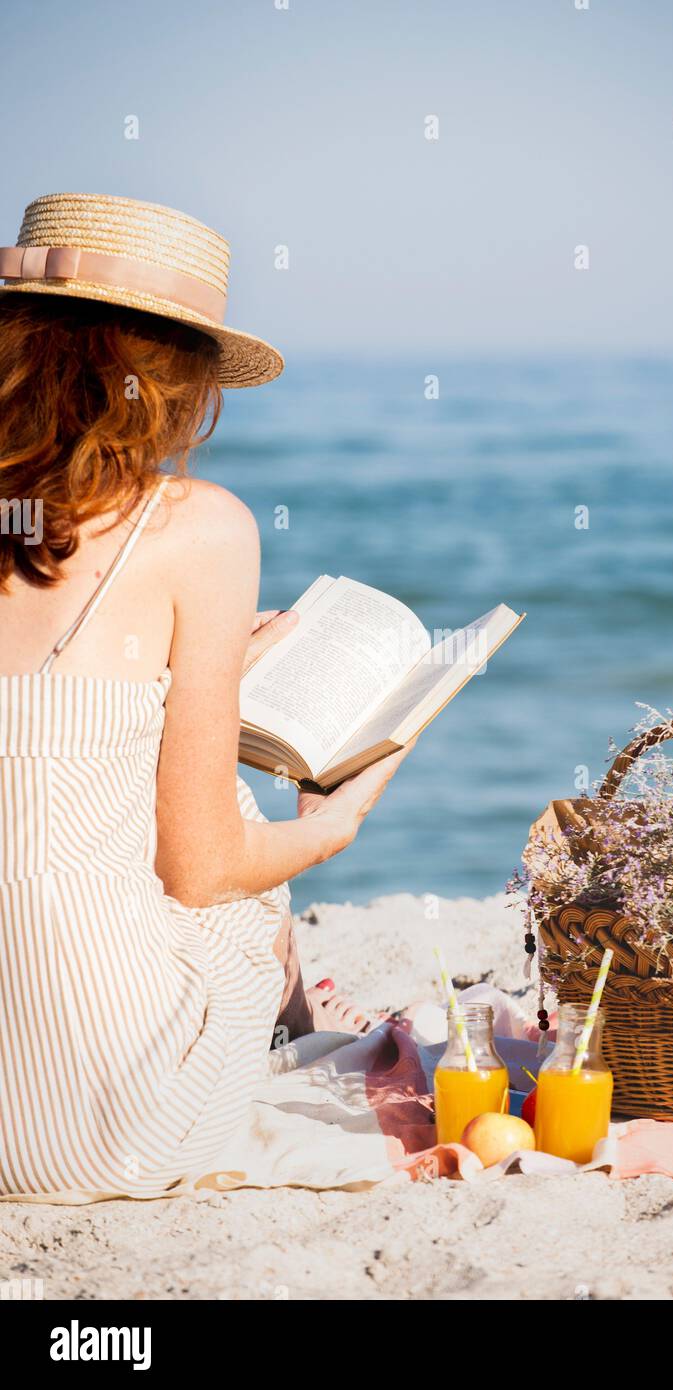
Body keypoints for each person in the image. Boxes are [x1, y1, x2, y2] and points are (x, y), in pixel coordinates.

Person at [0, 192, 411, 1200]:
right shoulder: (196, 527)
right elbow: (197, 869)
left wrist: (203, 679)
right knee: (235, 851)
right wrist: (333, 826)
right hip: (95, 1122)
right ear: (174, 380)